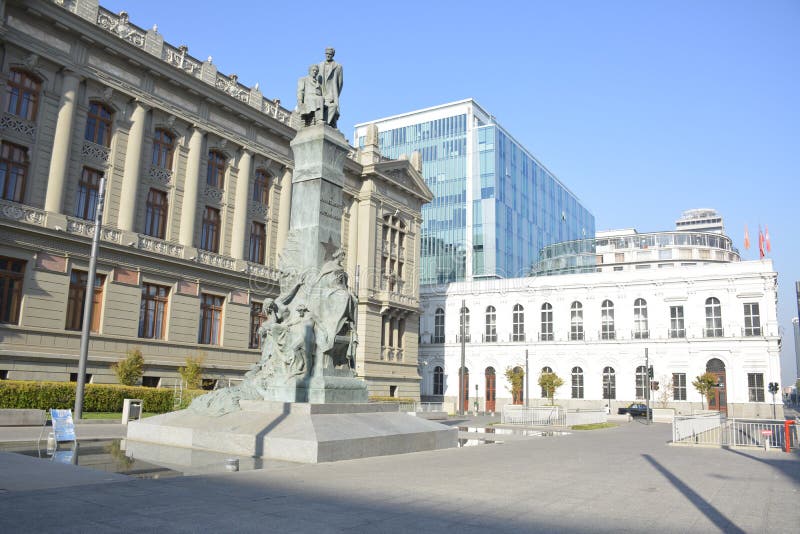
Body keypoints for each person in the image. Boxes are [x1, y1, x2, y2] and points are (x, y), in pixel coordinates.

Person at [317, 47, 343, 128]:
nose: (328, 55)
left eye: (330, 54)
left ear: (333, 55)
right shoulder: (320, 65)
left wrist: (335, 93)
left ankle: (328, 123)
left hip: (331, 92)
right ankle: (323, 123)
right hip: (321, 91)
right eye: (327, 54)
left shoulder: (338, 66)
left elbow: (340, 82)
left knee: (333, 107)